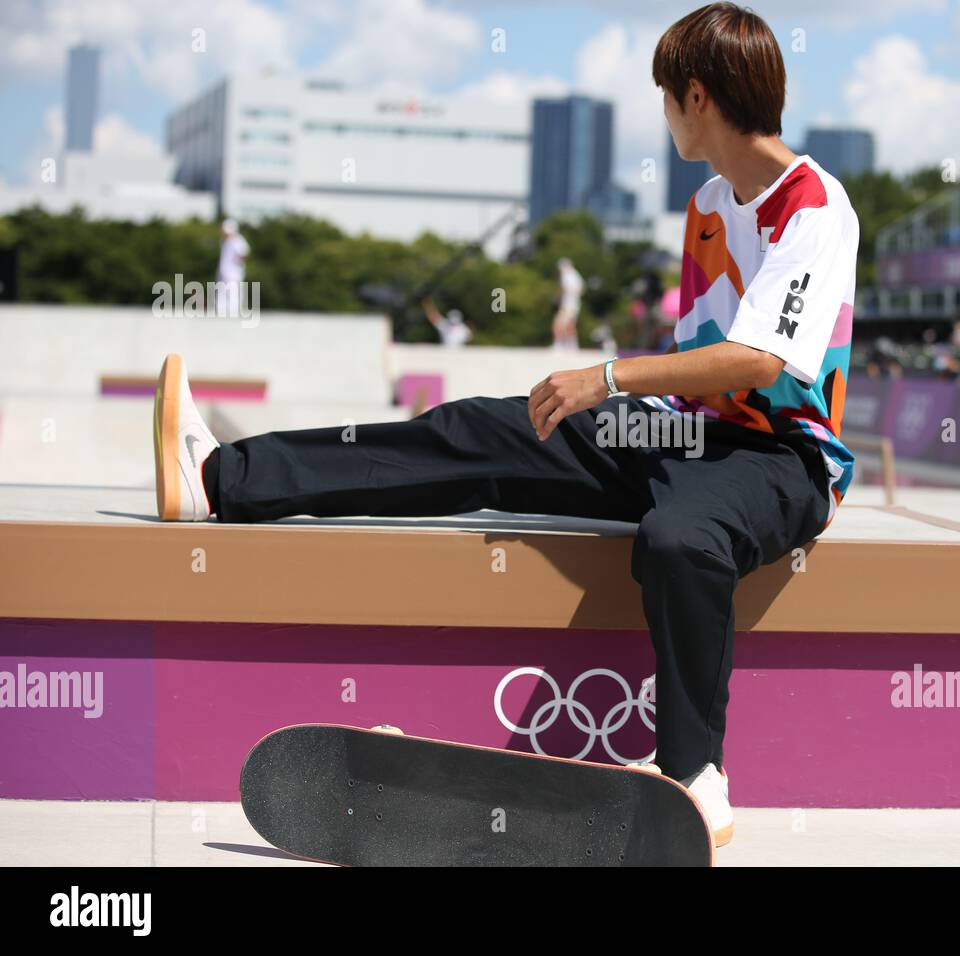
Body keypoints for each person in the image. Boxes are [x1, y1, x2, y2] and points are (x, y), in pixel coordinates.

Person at [151, 2, 857, 849]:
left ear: (696, 98)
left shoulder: (815, 205)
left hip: (784, 461)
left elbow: (757, 361)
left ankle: (696, 778)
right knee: (484, 431)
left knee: (681, 539)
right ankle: (219, 480)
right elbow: (703, 372)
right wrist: (618, 403)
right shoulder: (709, 202)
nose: (664, 112)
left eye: (666, 95)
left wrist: (605, 377)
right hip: (681, 435)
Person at [215, 219, 249, 317]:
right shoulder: (224, 241)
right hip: (223, 271)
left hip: (233, 272)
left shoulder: (238, 240)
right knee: (222, 289)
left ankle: (233, 310)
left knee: (233, 290)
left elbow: (244, 253)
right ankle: (221, 309)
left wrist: (237, 263)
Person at [551, 257, 584, 350]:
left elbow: (564, 290)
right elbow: (581, 290)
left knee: (558, 324)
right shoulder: (576, 275)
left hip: (568, 304)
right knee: (570, 325)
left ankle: (559, 344)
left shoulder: (567, 276)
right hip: (575, 304)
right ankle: (572, 345)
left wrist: (558, 298)